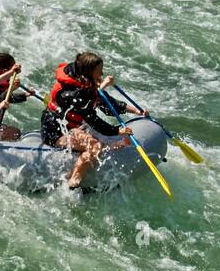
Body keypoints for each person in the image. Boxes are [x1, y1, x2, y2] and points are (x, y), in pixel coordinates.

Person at [41, 51, 147, 189]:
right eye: (99, 71)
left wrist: (137, 111)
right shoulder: (74, 94)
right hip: (55, 132)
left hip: (72, 127)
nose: (101, 75)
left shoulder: (83, 84)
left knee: (118, 142)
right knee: (95, 146)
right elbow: (93, 120)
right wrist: (116, 130)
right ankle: (73, 182)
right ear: (89, 72)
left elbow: (107, 104)